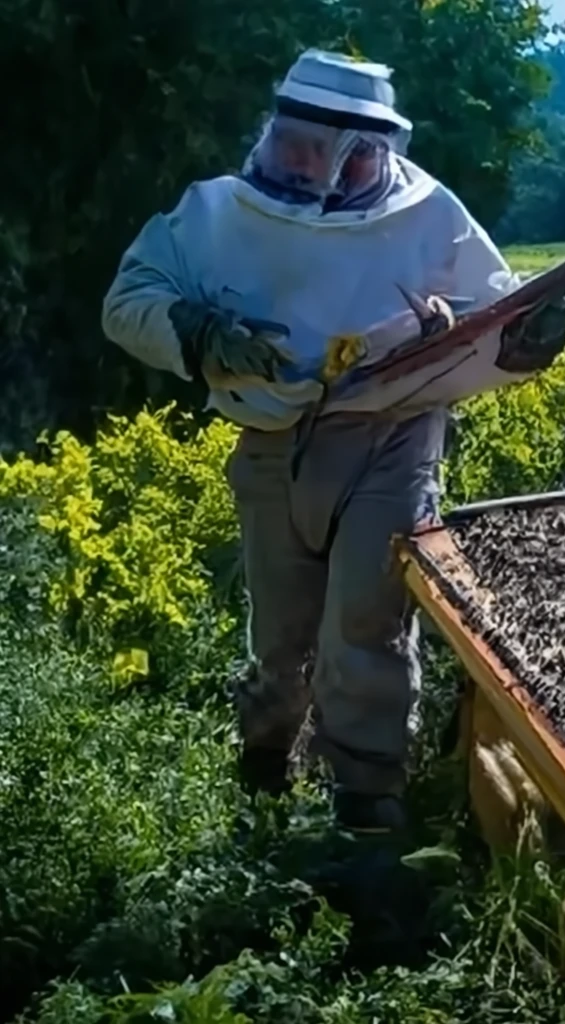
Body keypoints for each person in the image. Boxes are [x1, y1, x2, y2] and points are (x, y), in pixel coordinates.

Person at [101, 50, 527, 838]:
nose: (295, 159)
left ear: (367, 152)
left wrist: (448, 329)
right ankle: (266, 770)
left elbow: (501, 309)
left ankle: (366, 809)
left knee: (364, 622)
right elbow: (129, 297)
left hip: (391, 436)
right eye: (288, 138)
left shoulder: (428, 212)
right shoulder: (217, 211)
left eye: (317, 146)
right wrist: (195, 332)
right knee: (281, 630)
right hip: (269, 441)